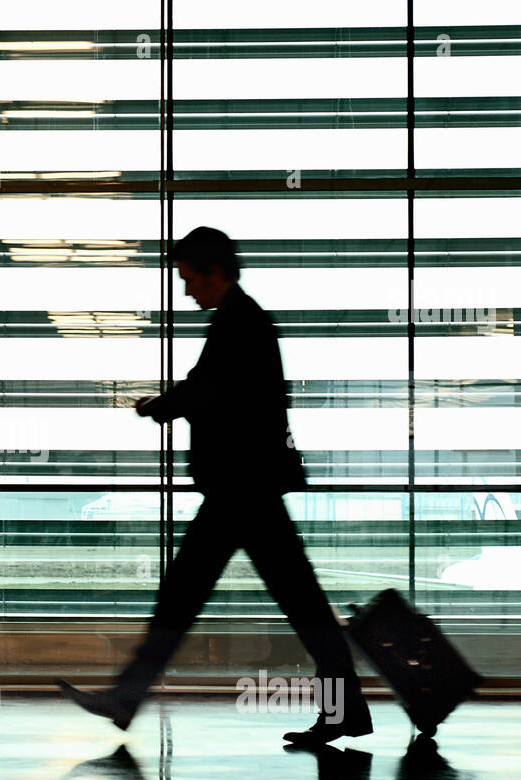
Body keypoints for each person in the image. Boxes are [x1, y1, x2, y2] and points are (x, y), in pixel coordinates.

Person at [56, 226, 373, 745]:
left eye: (189, 278)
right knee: (293, 605)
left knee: (195, 598)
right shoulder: (244, 320)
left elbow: (210, 390)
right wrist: (168, 403)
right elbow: (217, 389)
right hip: (247, 489)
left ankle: (126, 697)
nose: (186, 290)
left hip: (239, 489)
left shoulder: (239, 322)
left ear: (214, 271)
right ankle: (345, 712)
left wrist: (158, 407)